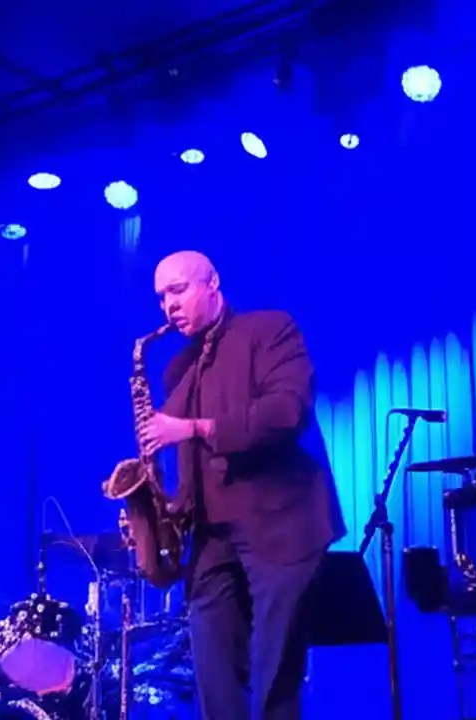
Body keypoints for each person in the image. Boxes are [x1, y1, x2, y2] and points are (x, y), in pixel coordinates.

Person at [137, 250, 345, 720]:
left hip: (281, 521)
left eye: (178, 290)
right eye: (160, 297)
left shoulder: (269, 329)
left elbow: (286, 412)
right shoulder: (178, 369)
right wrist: (161, 512)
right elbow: (190, 469)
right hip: (213, 534)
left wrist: (192, 427)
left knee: (275, 673)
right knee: (211, 672)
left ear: (212, 283)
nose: (168, 306)